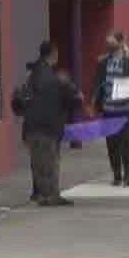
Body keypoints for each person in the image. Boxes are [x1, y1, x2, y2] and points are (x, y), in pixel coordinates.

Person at [18, 41, 83, 207]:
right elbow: (71, 100)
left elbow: (22, 101)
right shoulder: (54, 79)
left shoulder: (32, 75)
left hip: (31, 126)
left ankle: (40, 194)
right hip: (48, 127)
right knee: (50, 163)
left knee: (38, 164)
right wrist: (74, 92)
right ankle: (51, 196)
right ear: (53, 53)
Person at [94, 30, 129, 187]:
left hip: (125, 108)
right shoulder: (103, 62)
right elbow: (98, 83)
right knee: (112, 143)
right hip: (108, 109)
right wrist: (96, 102)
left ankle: (128, 175)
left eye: (113, 43)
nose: (110, 46)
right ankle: (117, 175)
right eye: (108, 43)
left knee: (126, 142)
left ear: (121, 43)